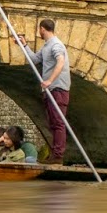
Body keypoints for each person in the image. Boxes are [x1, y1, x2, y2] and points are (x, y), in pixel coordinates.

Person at [35, 17, 72, 164]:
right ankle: (54, 154)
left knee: (58, 122)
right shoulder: (46, 46)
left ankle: (58, 156)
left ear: (42, 29)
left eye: (39, 29)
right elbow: (34, 59)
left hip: (58, 88)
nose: (39, 32)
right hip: (50, 90)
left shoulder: (56, 45)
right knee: (53, 123)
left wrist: (50, 80)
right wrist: (24, 45)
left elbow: (61, 61)